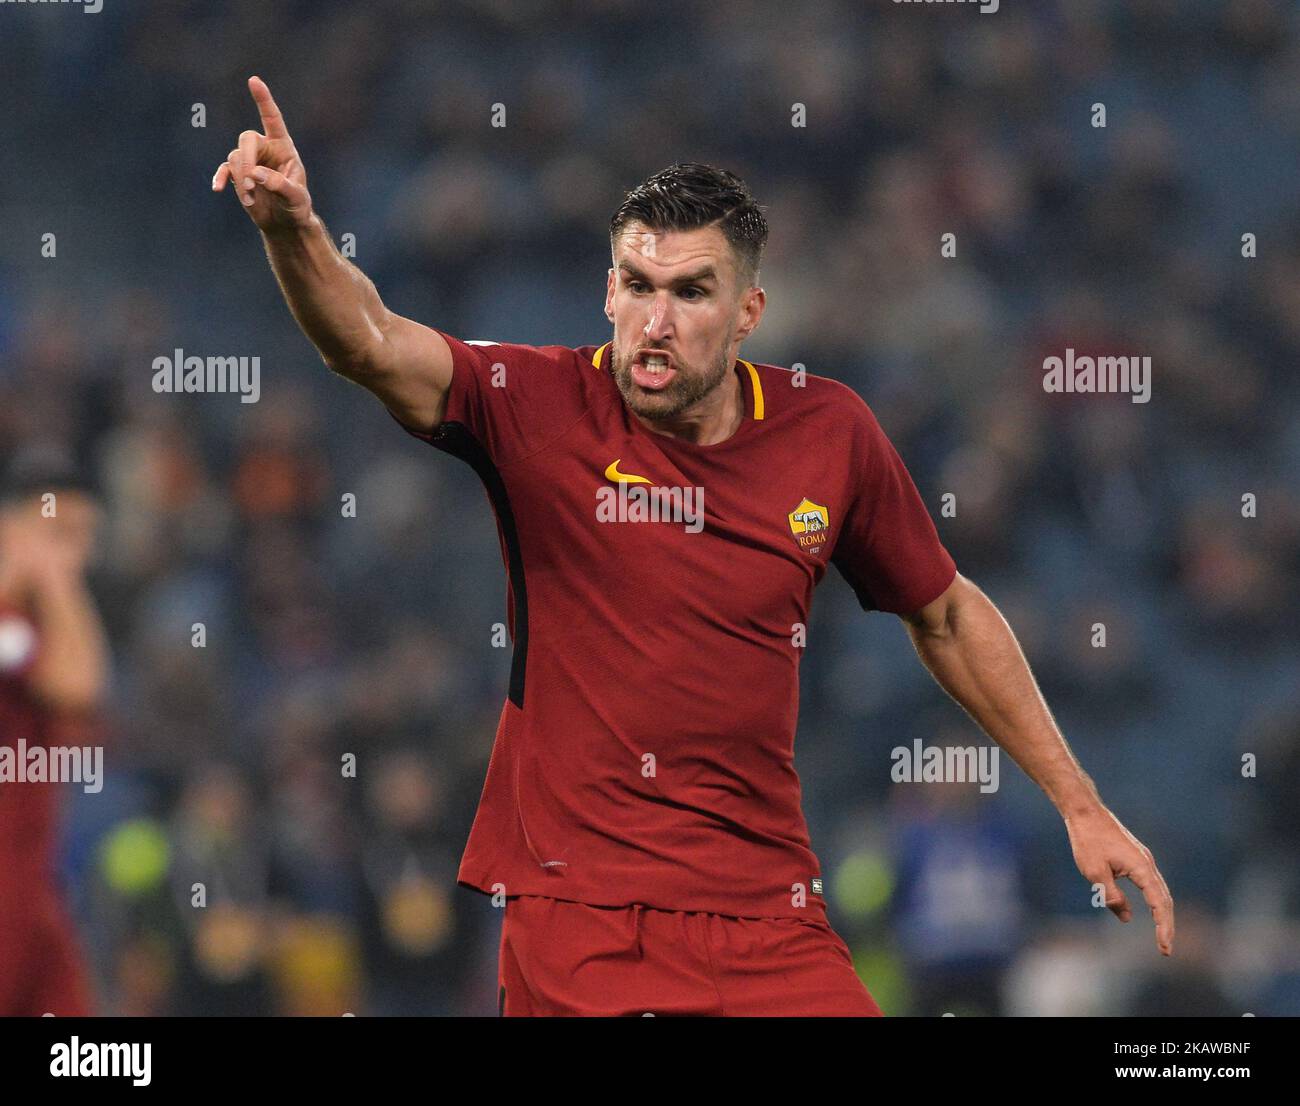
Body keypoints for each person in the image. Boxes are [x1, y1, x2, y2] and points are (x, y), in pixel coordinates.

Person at [214, 76, 1175, 1016]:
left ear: (749, 314)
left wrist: (1079, 802)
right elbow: (370, 342)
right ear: (607, 291)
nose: (655, 323)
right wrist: (294, 231)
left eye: (690, 292)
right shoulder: (537, 406)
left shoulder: (828, 432)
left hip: (769, 915)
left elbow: (948, 612)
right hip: (584, 918)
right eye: (636, 286)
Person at [0, 448, 108, 1016]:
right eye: (60, 532)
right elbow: (77, 685)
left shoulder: (34, 625)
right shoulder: (8, 625)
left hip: (32, 881)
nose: (76, 553)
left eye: (86, 536)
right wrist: (57, 582)